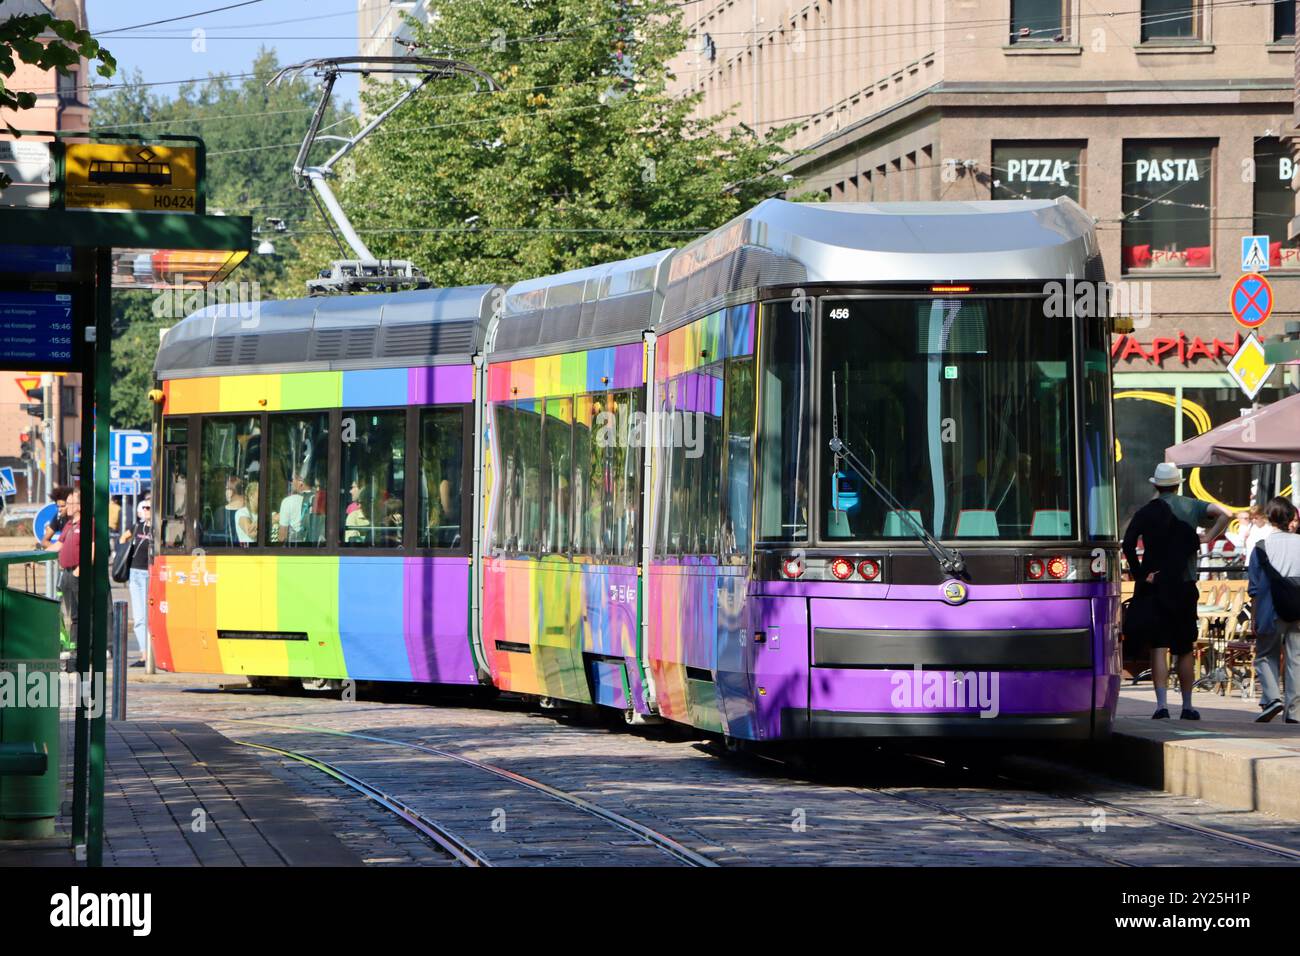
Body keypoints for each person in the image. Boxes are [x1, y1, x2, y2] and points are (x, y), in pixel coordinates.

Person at [1121, 462, 1231, 720]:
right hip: (1184, 584)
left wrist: (1139, 574)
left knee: (1159, 646)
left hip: (1155, 586)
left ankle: (1161, 706)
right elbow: (1225, 513)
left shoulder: (1147, 511)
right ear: (1178, 483)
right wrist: (1209, 537)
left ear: (1155, 485)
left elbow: (1127, 544)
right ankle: (1188, 706)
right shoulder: (1191, 505)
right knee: (1184, 647)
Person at [1247, 496, 1300, 724]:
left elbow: (1255, 587)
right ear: (1291, 519)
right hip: (1298, 610)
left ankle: (1271, 698)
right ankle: (1294, 712)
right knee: (1296, 660)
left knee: (1264, 656)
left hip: (1270, 609)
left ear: (1270, 519)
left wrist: (1254, 616)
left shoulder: (1260, 548)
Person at [121, 497, 152, 667]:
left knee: (152, 617)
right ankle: (144, 655)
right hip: (135, 574)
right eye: (145, 508)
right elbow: (122, 539)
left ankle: (153, 653)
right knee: (139, 618)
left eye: (149, 508)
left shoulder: (158, 529)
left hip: (151, 575)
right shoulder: (137, 527)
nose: (147, 510)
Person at [58, 488, 83, 645]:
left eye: (69, 503)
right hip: (66, 572)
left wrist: (77, 571)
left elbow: (91, 548)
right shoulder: (68, 524)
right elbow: (59, 545)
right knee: (70, 613)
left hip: (76, 572)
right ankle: (74, 645)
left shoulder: (87, 523)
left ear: (79, 505)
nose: (66, 507)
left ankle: (78, 647)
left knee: (78, 613)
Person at [276, 473, 309, 545]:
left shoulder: (288, 501)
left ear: (300, 482)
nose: (291, 483)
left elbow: (282, 535)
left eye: (292, 480)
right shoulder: (316, 497)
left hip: (295, 549)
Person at [40, 484, 73, 551]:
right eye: (58, 506)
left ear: (72, 503)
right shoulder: (58, 517)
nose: (59, 509)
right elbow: (44, 541)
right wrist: (63, 550)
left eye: (63, 506)